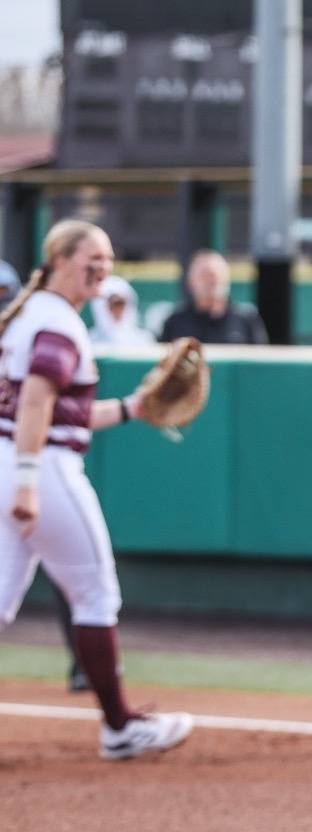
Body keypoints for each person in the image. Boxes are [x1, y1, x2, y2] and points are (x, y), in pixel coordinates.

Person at [1, 219, 194, 758]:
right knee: (95, 594)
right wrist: (26, 483)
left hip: (15, 460)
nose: (103, 268)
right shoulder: (58, 321)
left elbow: (65, 412)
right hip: (41, 468)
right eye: (93, 257)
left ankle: (119, 724)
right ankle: (120, 726)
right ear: (60, 260)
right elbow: (38, 400)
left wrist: (133, 410)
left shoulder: (31, 315)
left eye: (109, 259)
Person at [161, 250, 267, 345]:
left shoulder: (247, 319)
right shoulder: (175, 322)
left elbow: (260, 360)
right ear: (191, 282)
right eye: (205, 275)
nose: (211, 281)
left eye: (216, 275)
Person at [89, 276, 156, 347]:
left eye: (121, 304)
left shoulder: (144, 339)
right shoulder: (90, 339)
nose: (118, 310)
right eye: (114, 305)